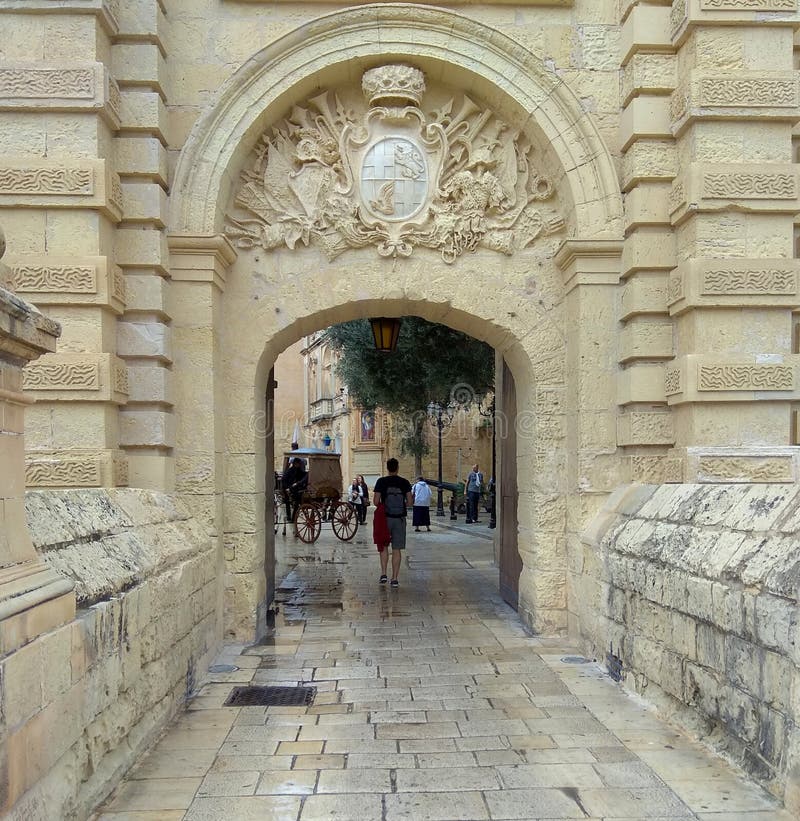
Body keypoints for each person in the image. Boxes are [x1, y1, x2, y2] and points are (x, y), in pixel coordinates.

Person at [372, 457, 412, 587]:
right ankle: (394, 578)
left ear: (388, 468)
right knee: (397, 549)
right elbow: (410, 502)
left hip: (385, 519)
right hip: (399, 519)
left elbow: (376, 502)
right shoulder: (404, 482)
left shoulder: (381, 481)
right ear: (397, 468)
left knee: (383, 547)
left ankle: (384, 574)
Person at [282, 456, 308, 522]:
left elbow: (302, 474)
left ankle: (293, 518)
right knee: (288, 502)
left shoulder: (298, 470)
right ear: (295, 463)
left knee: (297, 501)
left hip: (294, 488)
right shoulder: (289, 471)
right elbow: (284, 480)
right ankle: (289, 517)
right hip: (289, 489)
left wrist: (307, 474)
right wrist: (288, 488)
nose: (299, 465)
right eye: (298, 464)